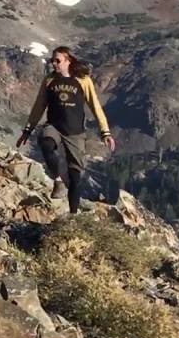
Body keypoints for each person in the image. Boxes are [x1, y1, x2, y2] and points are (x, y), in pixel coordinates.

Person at [15, 46, 116, 215]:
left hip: (75, 133)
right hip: (54, 126)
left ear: (68, 61)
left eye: (58, 61)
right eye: (52, 60)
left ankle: (73, 214)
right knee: (46, 143)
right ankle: (58, 180)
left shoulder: (83, 80)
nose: (54, 63)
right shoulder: (49, 80)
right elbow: (39, 106)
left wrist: (105, 132)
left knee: (76, 176)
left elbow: (95, 106)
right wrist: (28, 130)